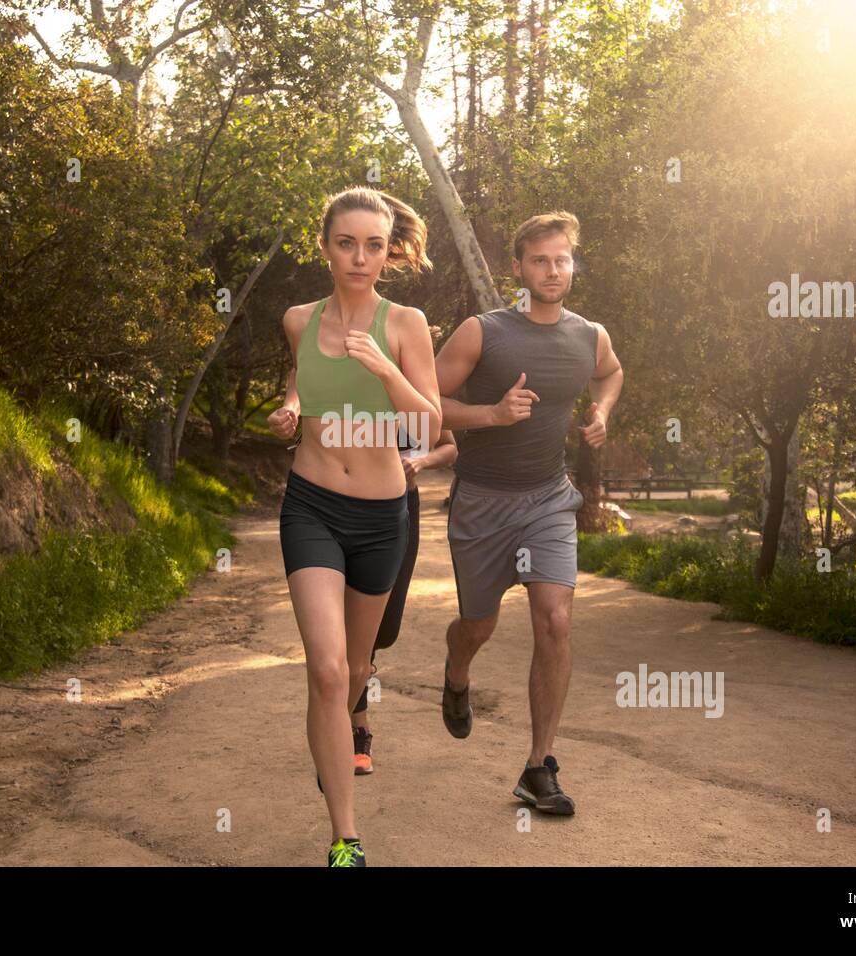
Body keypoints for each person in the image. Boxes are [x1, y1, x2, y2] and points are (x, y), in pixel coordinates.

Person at [267, 186, 441, 867]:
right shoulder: (298, 318)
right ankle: (346, 840)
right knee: (329, 670)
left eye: (374, 244)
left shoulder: (406, 324)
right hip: (310, 504)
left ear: (389, 250)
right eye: (347, 243)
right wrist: (290, 405)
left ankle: (337, 745)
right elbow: (303, 377)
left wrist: (384, 368)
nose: (360, 257)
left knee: (361, 665)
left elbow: (428, 423)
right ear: (325, 247)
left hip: (381, 516)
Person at [433, 210, 623, 815]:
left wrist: (602, 412)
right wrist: (490, 414)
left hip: (548, 499)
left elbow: (612, 373)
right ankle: (457, 674)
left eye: (562, 259)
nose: (552, 270)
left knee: (555, 621)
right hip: (483, 503)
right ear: (518, 268)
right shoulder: (481, 332)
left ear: (574, 265)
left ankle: (539, 767)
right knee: (478, 626)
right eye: (539, 260)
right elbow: (420, 404)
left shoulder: (590, 336)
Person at [350, 427, 457, 773]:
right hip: (349, 502)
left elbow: (449, 447)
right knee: (353, 625)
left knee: (385, 629)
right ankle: (356, 728)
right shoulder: (351, 383)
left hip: (401, 506)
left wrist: (422, 462)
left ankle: (349, 703)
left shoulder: (412, 389)